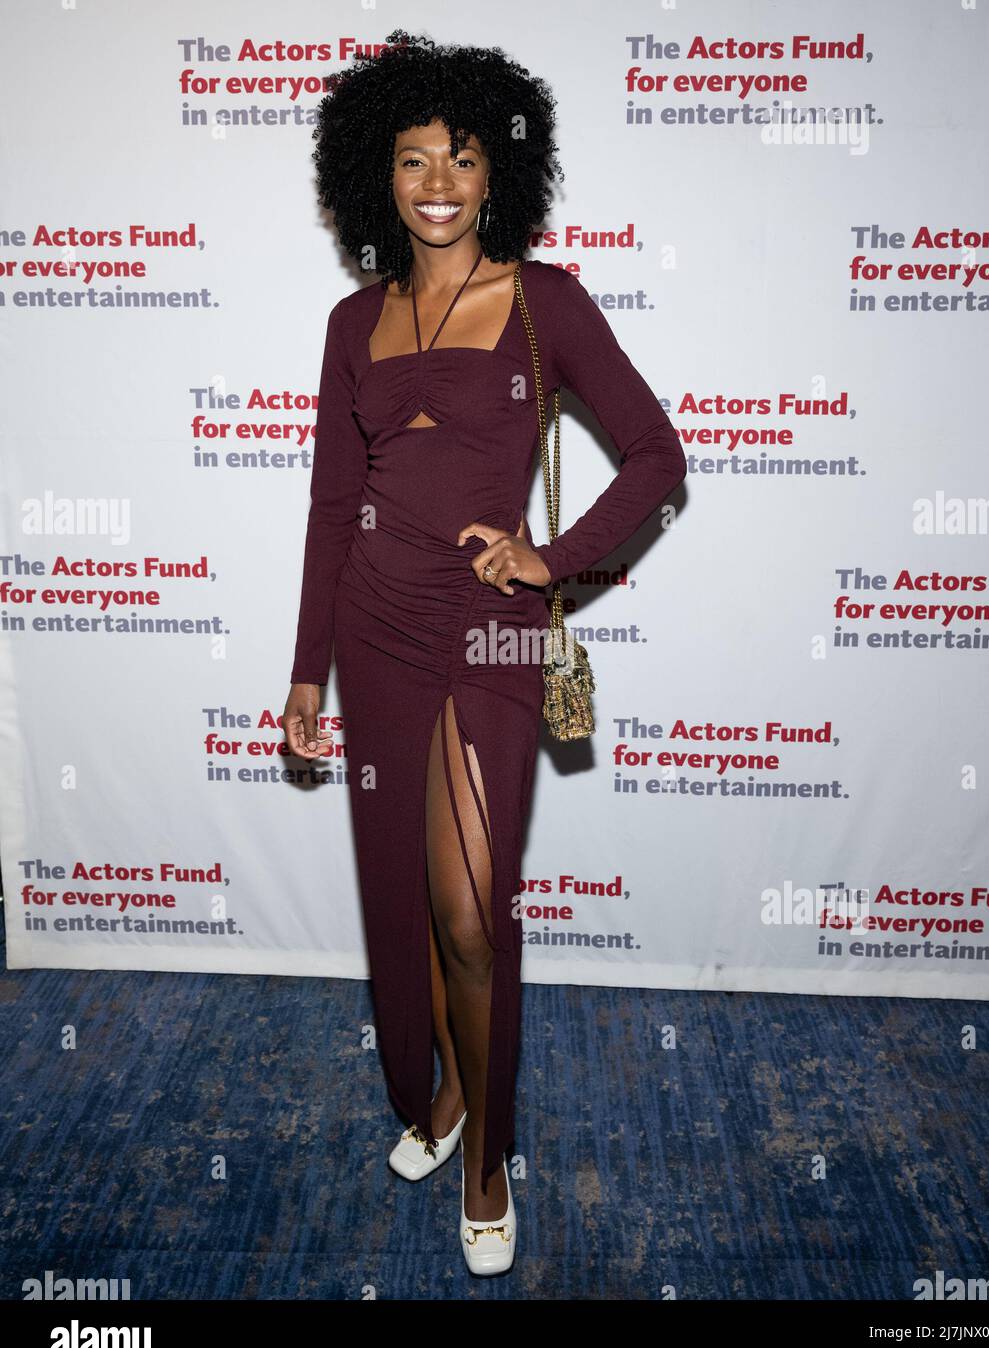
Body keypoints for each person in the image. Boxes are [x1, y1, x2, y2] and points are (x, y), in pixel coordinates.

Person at [282, 30, 686, 1276]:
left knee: (468, 912)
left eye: (460, 154)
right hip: (375, 626)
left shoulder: (544, 302)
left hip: (493, 626)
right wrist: (305, 672)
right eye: (411, 159)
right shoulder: (352, 321)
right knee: (402, 906)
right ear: (376, 177)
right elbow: (324, 505)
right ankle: (441, 1092)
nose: (438, 179)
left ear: (497, 169)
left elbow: (659, 457)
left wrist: (548, 558)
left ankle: (487, 1148)